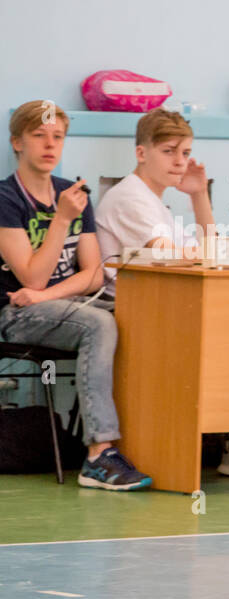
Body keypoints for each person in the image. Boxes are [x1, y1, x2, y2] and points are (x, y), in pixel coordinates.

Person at [95, 107, 229, 479]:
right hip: (137, 311)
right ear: (142, 153)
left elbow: (204, 252)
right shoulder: (130, 199)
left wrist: (198, 196)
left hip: (167, 306)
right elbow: (177, 260)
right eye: (169, 151)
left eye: (186, 153)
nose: (180, 161)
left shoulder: (157, 203)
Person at [0, 100, 150, 490]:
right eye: (39, 136)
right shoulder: (5, 200)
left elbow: (94, 273)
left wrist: (46, 296)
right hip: (16, 315)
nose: (50, 145)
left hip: (53, 304)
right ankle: (100, 454)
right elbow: (31, 277)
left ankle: (158, 441)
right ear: (17, 142)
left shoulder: (72, 193)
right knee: (99, 324)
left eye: (58, 137)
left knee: (148, 315)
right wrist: (61, 220)